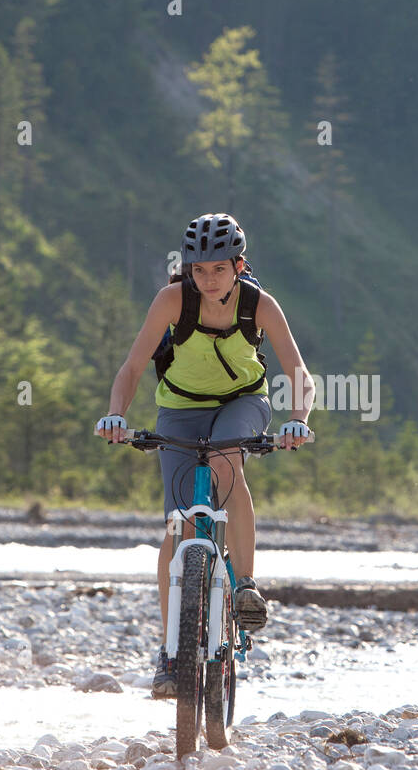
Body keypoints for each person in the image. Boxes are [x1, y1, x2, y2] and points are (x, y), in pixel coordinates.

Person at [96, 213, 314, 698]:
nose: (208, 278)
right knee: (178, 525)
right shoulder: (172, 300)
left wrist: (298, 418)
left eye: (218, 269)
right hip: (179, 407)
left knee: (224, 461)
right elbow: (133, 366)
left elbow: (299, 370)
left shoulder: (260, 304)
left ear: (239, 265)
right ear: (188, 269)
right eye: (199, 270)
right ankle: (171, 651)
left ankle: (245, 585)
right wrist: (115, 414)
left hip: (243, 402)